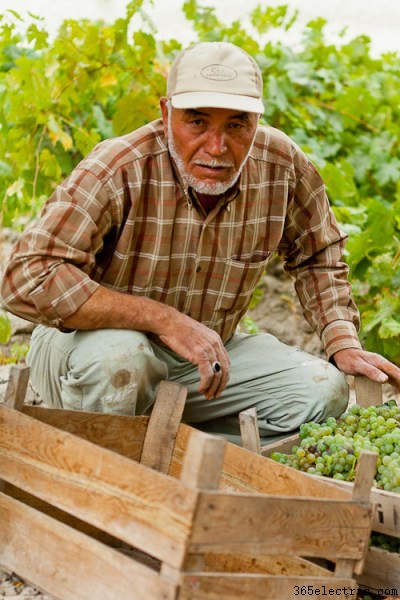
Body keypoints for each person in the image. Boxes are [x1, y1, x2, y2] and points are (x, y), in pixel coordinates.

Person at [1, 41, 399, 444]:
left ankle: (176, 457)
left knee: (321, 390)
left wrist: (341, 340)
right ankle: (101, 454)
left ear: (256, 122)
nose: (216, 147)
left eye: (236, 125)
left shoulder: (281, 166)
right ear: (166, 113)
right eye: (197, 122)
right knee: (123, 359)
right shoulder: (119, 168)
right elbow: (26, 278)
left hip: (205, 363)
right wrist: (164, 320)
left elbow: (318, 254)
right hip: (89, 354)